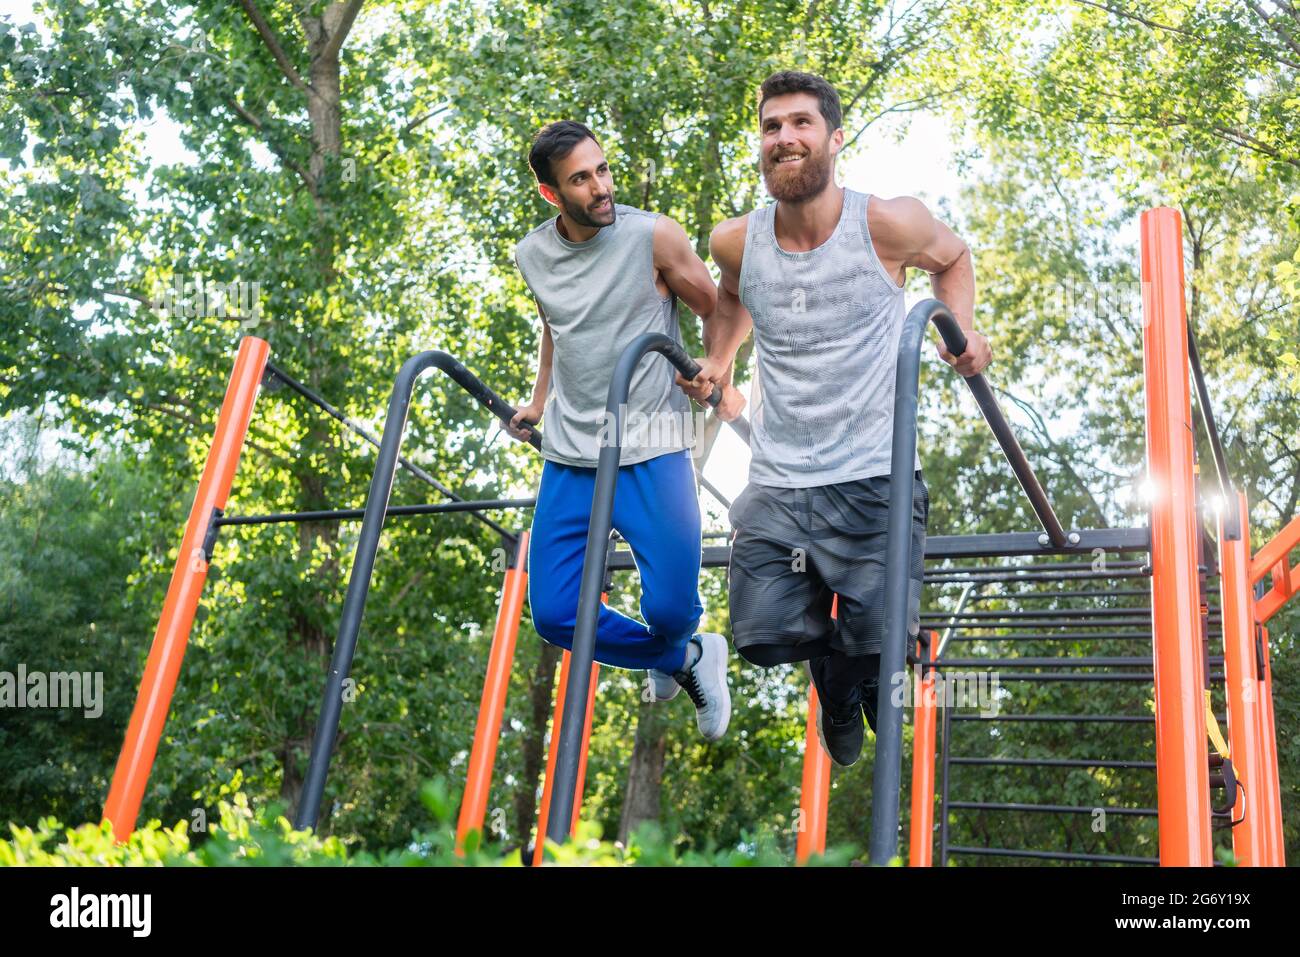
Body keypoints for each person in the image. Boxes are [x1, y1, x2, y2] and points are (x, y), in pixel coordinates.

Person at [679, 71, 992, 765]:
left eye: (800, 123)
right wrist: (722, 359)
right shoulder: (736, 240)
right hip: (779, 478)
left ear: (834, 138)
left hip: (875, 475)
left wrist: (959, 332)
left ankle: (857, 678)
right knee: (763, 636)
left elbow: (954, 255)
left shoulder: (885, 223)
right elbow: (732, 296)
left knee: (880, 643)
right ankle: (840, 677)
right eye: (771, 127)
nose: (784, 137)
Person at [507, 120, 738, 740]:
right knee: (555, 615)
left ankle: (675, 643)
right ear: (552, 195)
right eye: (581, 179)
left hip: (655, 443)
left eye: (603, 170)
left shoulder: (653, 237)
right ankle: (685, 658)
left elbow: (719, 308)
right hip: (572, 452)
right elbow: (559, 326)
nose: (601, 187)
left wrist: (717, 371)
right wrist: (539, 399)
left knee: (666, 608)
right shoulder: (532, 254)